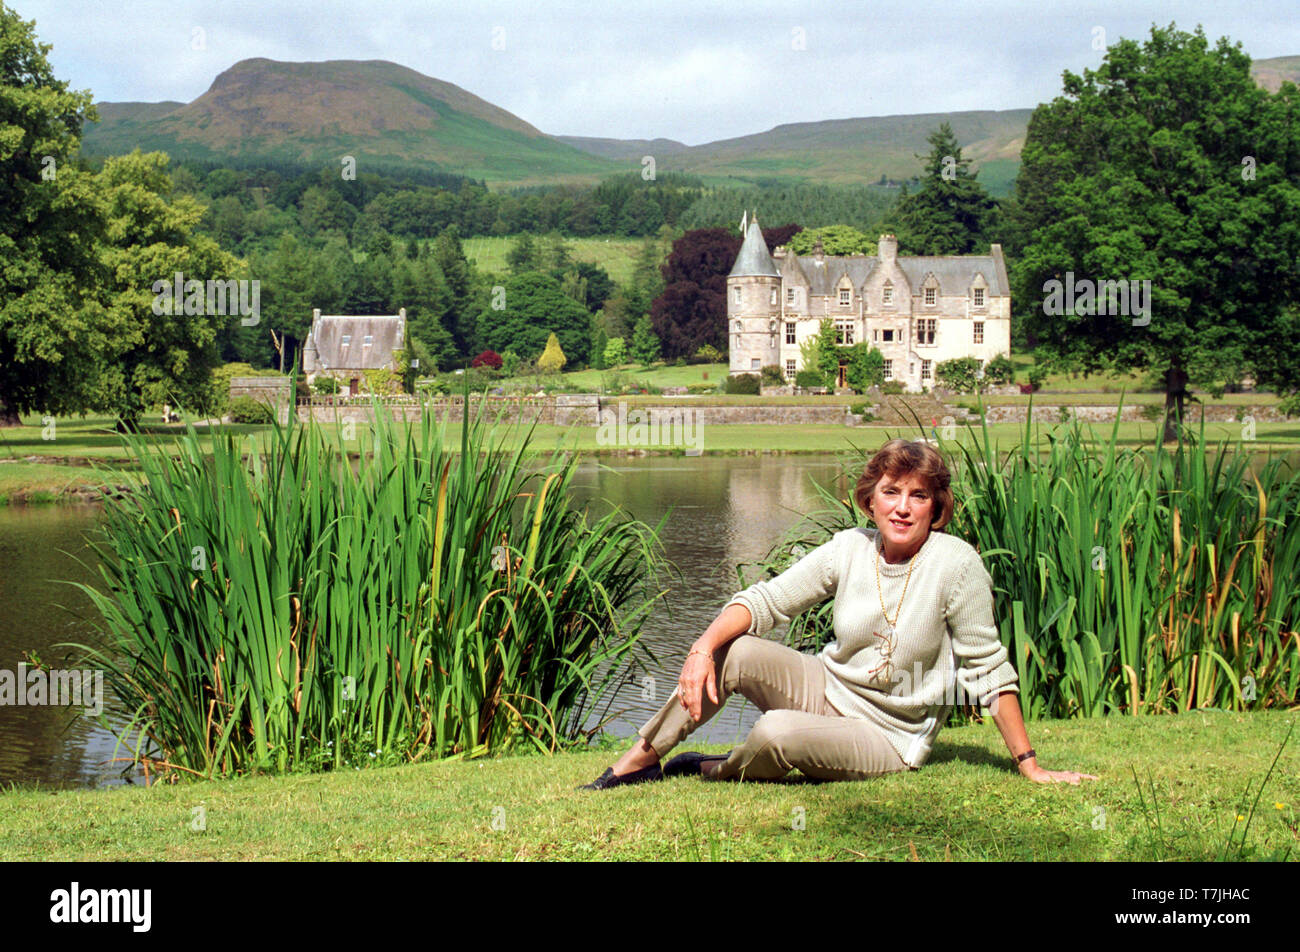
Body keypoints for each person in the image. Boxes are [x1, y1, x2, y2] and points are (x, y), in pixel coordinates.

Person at [581, 438, 1098, 790]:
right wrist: (701, 649)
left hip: (890, 735)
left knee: (775, 733)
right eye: (890, 492)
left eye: (918, 496)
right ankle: (641, 759)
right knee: (733, 649)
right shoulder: (849, 546)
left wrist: (1030, 766)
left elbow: (988, 669)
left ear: (936, 508)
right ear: (870, 500)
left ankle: (718, 770)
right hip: (829, 686)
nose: (902, 507)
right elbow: (766, 600)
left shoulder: (956, 564)